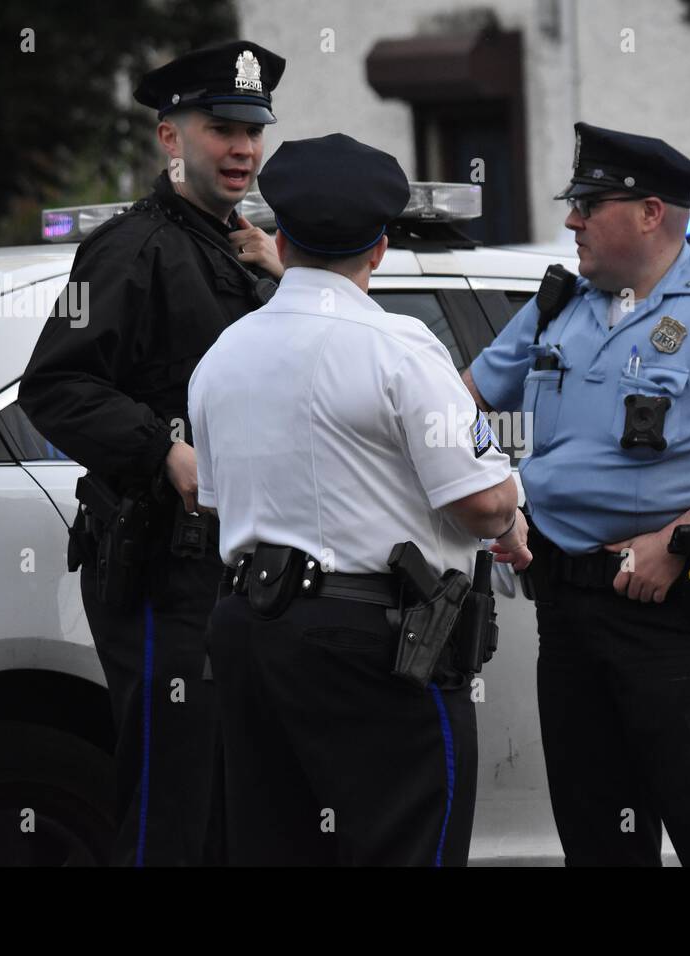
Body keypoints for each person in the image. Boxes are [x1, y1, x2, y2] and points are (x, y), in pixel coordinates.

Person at [462, 122, 690, 866]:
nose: (571, 221)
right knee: (597, 827)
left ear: (651, 213)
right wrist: (495, 495)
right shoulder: (560, 304)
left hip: (673, 607)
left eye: (589, 204)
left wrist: (678, 540)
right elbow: (457, 400)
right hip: (566, 603)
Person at [188, 132, 532, 866]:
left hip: (250, 630)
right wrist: (511, 504)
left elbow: (216, 502)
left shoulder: (224, 354)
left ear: (280, 239)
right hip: (372, 644)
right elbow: (479, 504)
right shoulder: (399, 347)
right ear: (379, 248)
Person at [18, 40, 286, 866]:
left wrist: (281, 280)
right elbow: (55, 387)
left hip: (240, 566)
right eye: (221, 128)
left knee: (236, 802)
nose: (243, 148)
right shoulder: (130, 247)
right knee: (175, 798)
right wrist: (163, 450)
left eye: (254, 129)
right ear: (171, 138)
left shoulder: (243, 247)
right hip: (163, 567)